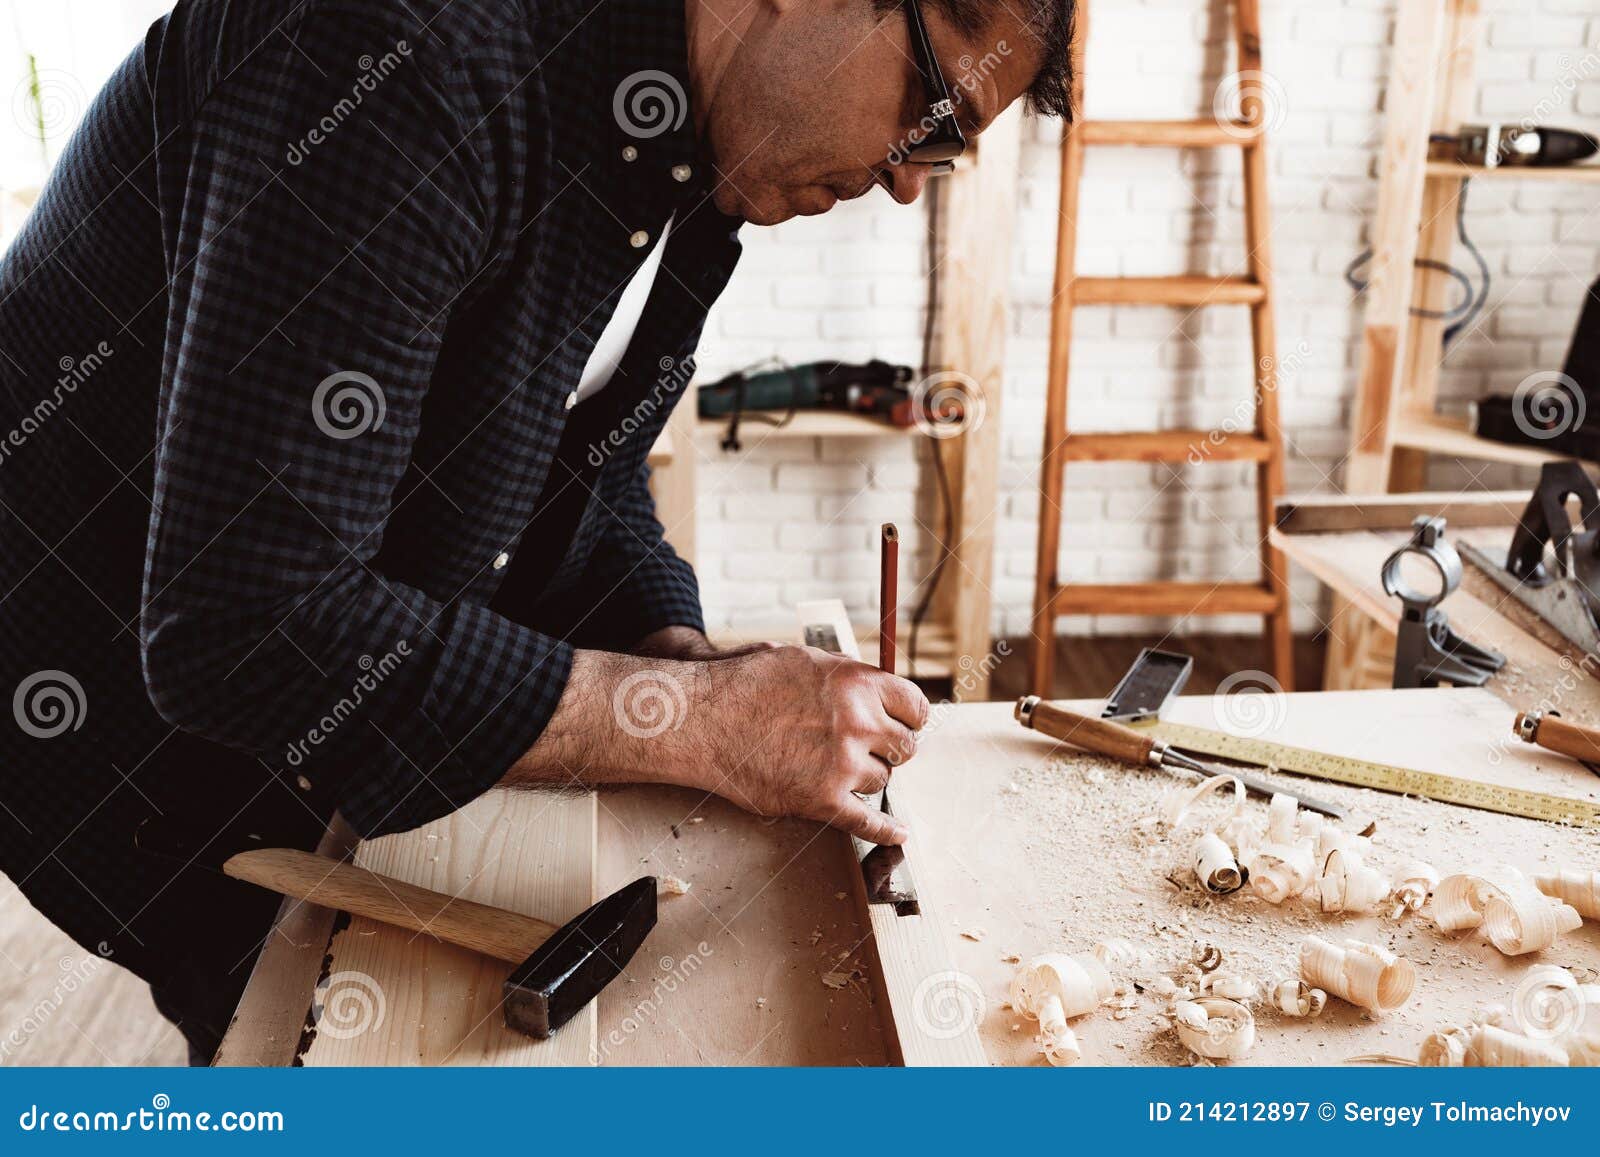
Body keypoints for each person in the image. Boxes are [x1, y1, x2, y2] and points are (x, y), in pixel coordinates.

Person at [0, 0, 1073, 1062]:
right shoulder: (400, 54)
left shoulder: (697, 154)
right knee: (285, 1021)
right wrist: (699, 722)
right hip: (85, 671)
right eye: (933, 113)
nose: (905, 180)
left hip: (275, 715)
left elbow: (575, 466)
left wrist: (677, 654)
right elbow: (245, 622)